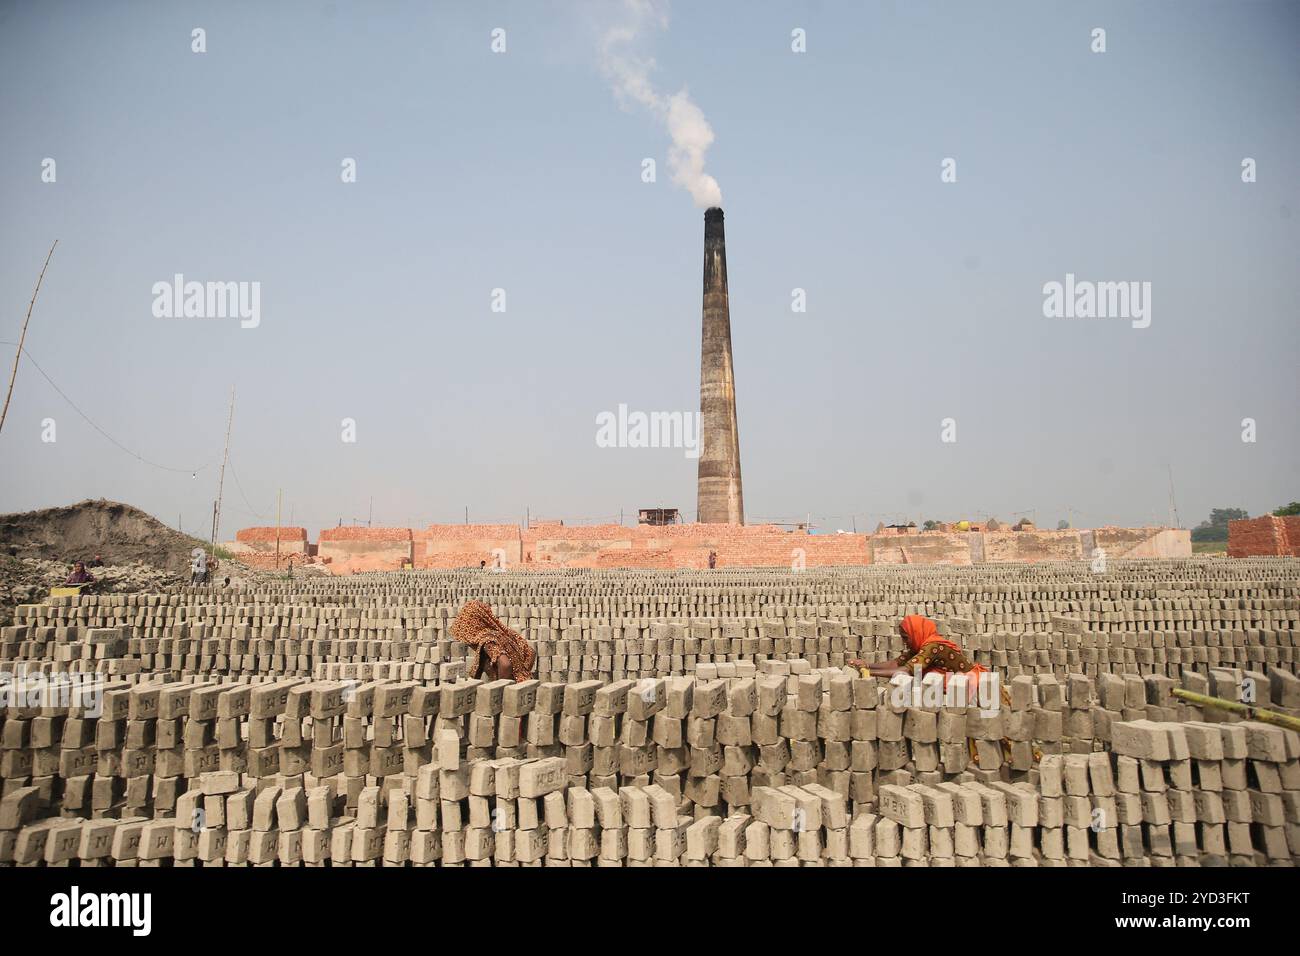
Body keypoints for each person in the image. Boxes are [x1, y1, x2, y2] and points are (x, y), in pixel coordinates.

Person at [848, 614, 1038, 766]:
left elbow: (906, 671)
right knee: (976, 731)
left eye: (905, 637)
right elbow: (896, 663)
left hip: (977, 687)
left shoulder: (933, 646)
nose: (904, 642)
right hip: (960, 688)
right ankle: (991, 764)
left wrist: (869, 672)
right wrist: (867, 665)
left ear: (915, 632)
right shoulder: (919, 646)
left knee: (994, 727)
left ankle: (1021, 762)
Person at [449, 600, 536, 683]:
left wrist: (501, 689)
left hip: (513, 691)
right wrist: (522, 672)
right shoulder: (503, 633)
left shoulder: (488, 640)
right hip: (526, 684)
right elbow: (531, 652)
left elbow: (505, 665)